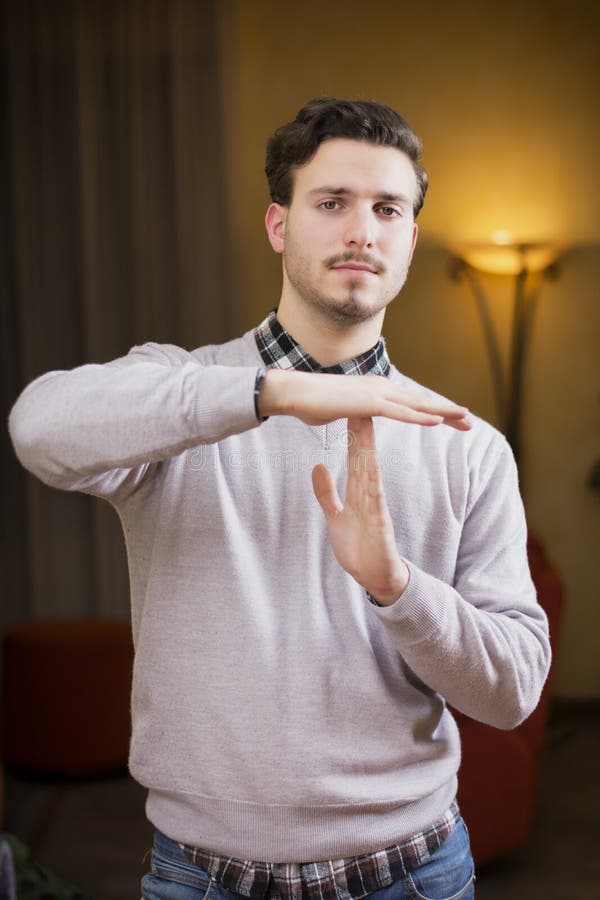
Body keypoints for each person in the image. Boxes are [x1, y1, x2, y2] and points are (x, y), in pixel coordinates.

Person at [9, 97, 551, 900]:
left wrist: (397, 588)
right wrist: (271, 394)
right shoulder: (182, 398)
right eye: (331, 203)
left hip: (413, 875)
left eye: (387, 209)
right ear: (279, 225)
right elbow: (37, 426)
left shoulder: (465, 444)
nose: (361, 230)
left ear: (406, 238)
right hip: (201, 877)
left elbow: (510, 692)